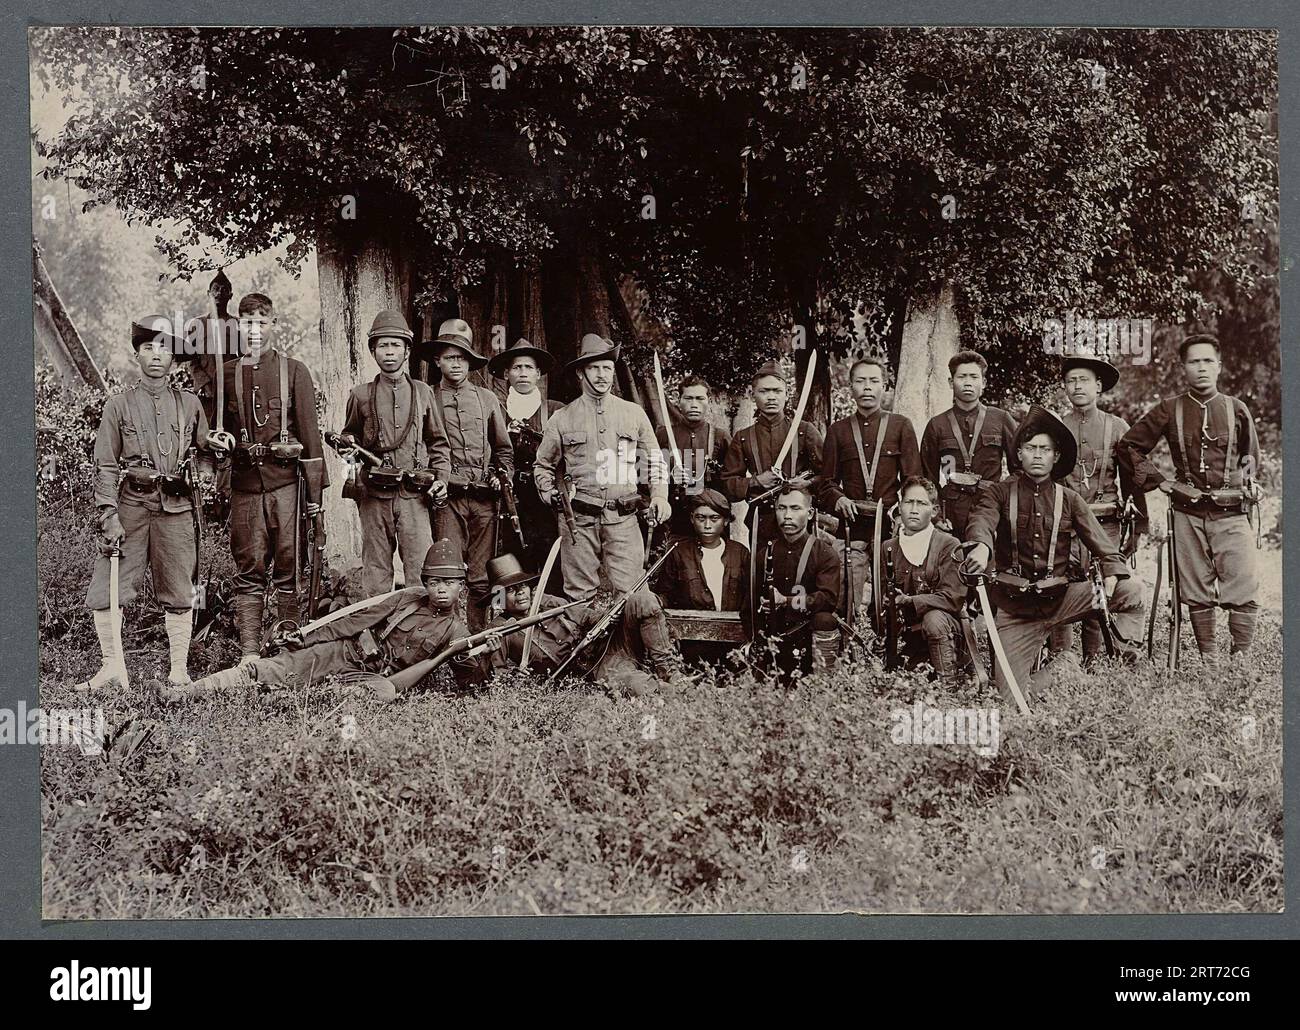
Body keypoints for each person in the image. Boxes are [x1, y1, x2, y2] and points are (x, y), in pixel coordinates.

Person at [161, 540, 490, 702]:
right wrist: (305, 637)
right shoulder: (407, 598)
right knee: (267, 669)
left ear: (461, 586)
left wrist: (482, 652)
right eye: (434, 581)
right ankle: (185, 694)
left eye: (448, 582)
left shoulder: (456, 631)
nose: (441, 589)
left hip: (370, 678)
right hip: (344, 652)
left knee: (385, 694)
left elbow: (470, 682)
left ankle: (298, 699)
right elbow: (352, 619)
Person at [962, 406, 1144, 698]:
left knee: (1131, 590)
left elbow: (1105, 547)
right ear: (1018, 454)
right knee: (1012, 700)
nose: (1037, 455)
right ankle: (1064, 667)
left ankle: (1123, 663)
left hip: (1061, 600)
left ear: (1055, 457)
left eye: (1044, 449)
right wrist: (981, 547)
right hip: (1015, 609)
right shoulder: (998, 493)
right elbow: (981, 520)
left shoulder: (1070, 499)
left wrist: (1112, 570)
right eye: (1030, 448)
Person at [77, 316, 214, 691]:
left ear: (173, 358)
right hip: (132, 505)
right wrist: (108, 513)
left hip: (177, 508)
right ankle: (111, 669)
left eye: (164, 348)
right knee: (109, 585)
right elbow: (104, 463)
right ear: (136, 354)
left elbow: (205, 451)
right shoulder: (118, 406)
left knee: (180, 589)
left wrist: (205, 471)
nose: (156, 356)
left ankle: (179, 671)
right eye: (148, 348)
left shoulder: (190, 404)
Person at [1118, 333, 1262, 659]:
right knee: (1195, 589)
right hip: (1187, 513)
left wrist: (1250, 485)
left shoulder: (1236, 409)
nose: (1201, 368)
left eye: (1207, 361)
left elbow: (1250, 459)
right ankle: (1209, 662)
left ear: (1219, 366)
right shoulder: (1169, 409)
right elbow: (1128, 446)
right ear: (1183, 367)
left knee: (1244, 584)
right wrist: (1160, 481)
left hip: (1232, 513)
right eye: (1194, 361)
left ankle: (1241, 662)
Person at [219, 293, 328, 662]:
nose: (254, 329)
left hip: (286, 487)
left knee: (289, 566)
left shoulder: (295, 370)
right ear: (237, 325)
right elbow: (213, 434)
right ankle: (250, 653)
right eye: (247, 322)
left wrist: (315, 500)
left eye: (261, 321)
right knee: (248, 567)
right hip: (245, 487)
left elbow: (312, 441)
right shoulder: (226, 374)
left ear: (274, 324)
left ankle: (287, 650)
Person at [533, 334, 671, 600]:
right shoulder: (561, 418)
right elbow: (543, 465)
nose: (602, 374)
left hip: (623, 519)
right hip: (579, 520)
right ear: (581, 373)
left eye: (607, 368)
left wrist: (660, 496)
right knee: (578, 596)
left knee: (633, 595)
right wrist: (550, 493)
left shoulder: (633, 413)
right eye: (594, 368)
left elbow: (655, 462)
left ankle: (625, 643)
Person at [339, 309, 450, 597]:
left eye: (395, 345)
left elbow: (438, 443)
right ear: (373, 351)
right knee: (376, 571)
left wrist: (441, 480)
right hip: (374, 496)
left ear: (407, 350)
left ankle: (420, 633)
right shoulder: (360, 394)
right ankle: (376, 635)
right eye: (383, 346)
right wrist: (347, 447)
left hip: (414, 496)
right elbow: (350, 434)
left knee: (420, 569)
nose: (389, 352)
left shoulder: (423, 393)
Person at [1048, 356, 1149, 663]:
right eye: (1071, 381)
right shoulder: (1054, 428)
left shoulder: (1117, 427)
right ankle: (1061, 661)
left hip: (1106, 525)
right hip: (1064, 525)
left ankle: (1096, 660)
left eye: (1084, 380)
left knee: (1103, 586)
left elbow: (1134, 481)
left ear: (1098, 386)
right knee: (1062, 588)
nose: (1077, 387)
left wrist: (1139, 527)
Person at [481, 553, 681, 695]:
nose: (521, 592)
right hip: (593, 670)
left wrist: (608, 616)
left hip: (607, 643)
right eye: (511, 590)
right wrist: (518, 675)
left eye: (522, 585)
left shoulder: (547, 601)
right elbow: (498, 677)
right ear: (498, 595)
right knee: (638, 686)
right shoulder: (500, 630)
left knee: (642, 600)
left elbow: (586, 616)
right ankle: (676, 693)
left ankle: (670, 671)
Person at [428, 318, 514, 631]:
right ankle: (445, 641)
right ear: (438, 361)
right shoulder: (427, 398)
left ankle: (480, 642)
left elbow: (504, 451)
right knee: (447, 573)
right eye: (450, 357)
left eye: (462, 358)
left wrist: (500, 474)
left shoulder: (488, 399)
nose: (456, 364)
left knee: (481, 577)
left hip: (484, 502)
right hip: (447, 500)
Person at [819, 356, 921, 613]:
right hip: (850, 527)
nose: (867, 387)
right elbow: (826, 484)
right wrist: (838, 499)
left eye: (874, 381)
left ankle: (887, 646)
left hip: (889, 526)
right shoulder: (837, 431)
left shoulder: (901, 426)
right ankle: (848, 645)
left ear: (884, 387)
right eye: (860, 381)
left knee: (890, 597)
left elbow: (912, 480)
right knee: (845, 596)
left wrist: (901, 514)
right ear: (850, 387)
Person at [720, 358, 824, 600]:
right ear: (753, 395)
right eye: (764, 391)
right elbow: (727, 485)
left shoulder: (805, 431)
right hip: (762, 522)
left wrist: (806, 485)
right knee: (763, 582)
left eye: (777, 391)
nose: (771, 397)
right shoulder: (743, 438)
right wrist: (756, 482)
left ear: (786, 395)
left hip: (800, 522)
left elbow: (828, 476)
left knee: (803, 579)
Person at [488, 337, 564, 578]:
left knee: (553, 556)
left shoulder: (555, 410)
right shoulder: (495, 409)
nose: (523, 373)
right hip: (508, 494)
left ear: (538, 373)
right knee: (513, 559)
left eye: (528, 367)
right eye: (516, 367)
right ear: (507, 373)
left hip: (545, 495)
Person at [920, 350, 1018, 539]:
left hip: (991, 506)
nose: (967, 382)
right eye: (961, 376)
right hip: (951, 511)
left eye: (974, 377)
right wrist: (936, 516)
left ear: (983, 383)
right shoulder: (937, 424)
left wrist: (1003, 498)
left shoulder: (1001, 419)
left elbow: (1019, 469)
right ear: (951, 382)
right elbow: (927, 476)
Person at [878, 476, 967, 680]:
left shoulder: (948, 544)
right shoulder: (888, 547)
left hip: (944, 632)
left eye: (921, 503)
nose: (914, 509)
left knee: (933, 619)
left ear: (934, 510)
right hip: (905, 634)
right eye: (909, 502)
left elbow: (952, 598)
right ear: (900, 507)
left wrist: (911, 601)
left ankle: (949, 684)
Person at [750, 485, 841, 681]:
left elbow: (827, 600)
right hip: (772, 633)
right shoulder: (764, 554)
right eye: (781, 508)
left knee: (825, 619)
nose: (787, 515)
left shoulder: (824, 554)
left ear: (809, 513)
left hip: (806, 633)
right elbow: (749, 601)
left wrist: (786, 601)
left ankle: (823, 683)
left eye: (795, 508)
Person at [655, 375, 731, 540]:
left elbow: (731, 479)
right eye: (688, 398)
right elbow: (647, 474)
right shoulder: (663, 435)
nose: (694, 404)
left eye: (700, 398)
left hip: (711, 518)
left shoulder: (720, 437)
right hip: (673, 518)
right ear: (679, 400)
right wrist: (669, 477)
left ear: (708, 401)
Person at [654, 489, 751, 617]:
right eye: (701, 518)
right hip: (690, 627)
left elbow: (750, 597)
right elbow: (666, 595)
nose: (707, 525)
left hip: (733, 627)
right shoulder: (679, 553)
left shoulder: (740, 553)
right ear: (692, 519)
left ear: (726, 521)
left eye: (714, 518)